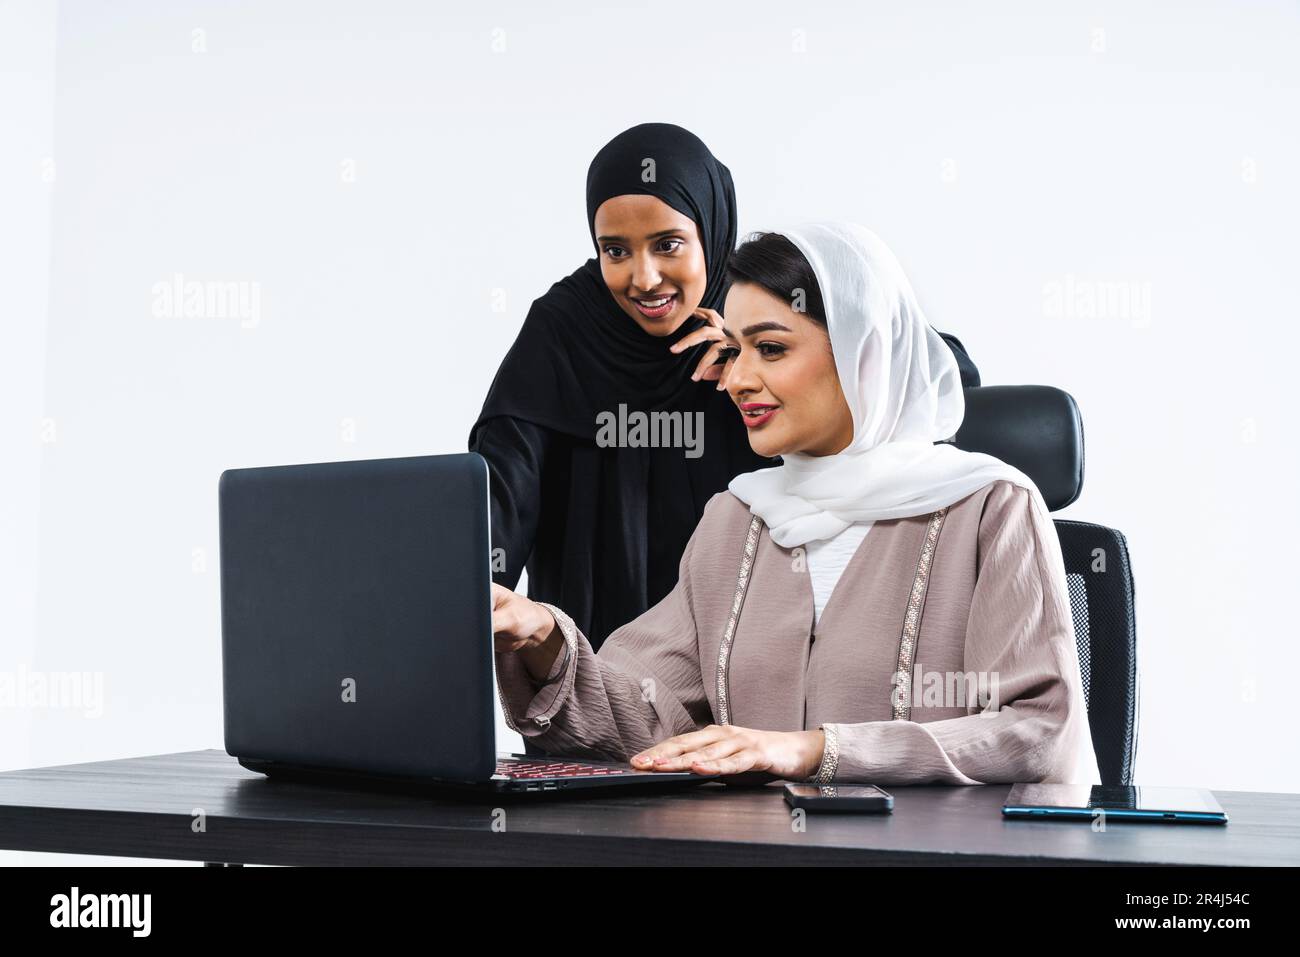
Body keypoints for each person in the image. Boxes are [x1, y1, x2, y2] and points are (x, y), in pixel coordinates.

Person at [489, 222, 1100, 786]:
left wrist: (815, 750)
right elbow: (650, 719)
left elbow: (1038, 732)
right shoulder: (737, 520)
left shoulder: (990, 508)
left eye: (770, 349)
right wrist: (542, 637)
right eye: (731, 351)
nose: (736, 380)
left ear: (864, 354)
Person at [469, 123, 983, 652]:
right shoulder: (565, 328)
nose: (643, 278)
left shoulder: (758, 299)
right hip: (597, 662)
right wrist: (471, 598)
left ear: (709, 231)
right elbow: (501, 496)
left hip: (760, 643)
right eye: (615, 251)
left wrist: (756, 352)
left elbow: (940, 372)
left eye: (668, 245)